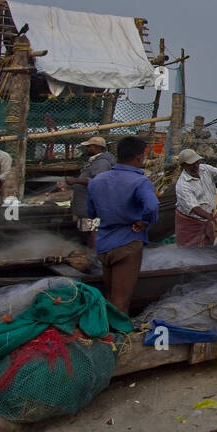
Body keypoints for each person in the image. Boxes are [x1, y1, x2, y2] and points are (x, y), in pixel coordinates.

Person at [86, 135, 159, 315]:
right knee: (121, 301)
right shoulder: (140, 181)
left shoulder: (98, 180)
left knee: (110, 297)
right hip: (127, 243)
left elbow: (91, 212)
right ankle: (118, 339)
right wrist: (144, 222)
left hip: (103, 243)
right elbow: (152, 207)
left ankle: (106, 333)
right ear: (139, 157)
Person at [57, 136, 115, 249]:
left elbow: (99, 182)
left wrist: (75, 180)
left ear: (98, 147)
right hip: (87, 205)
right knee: (90, 231)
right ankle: (93, 254)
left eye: (89, 146)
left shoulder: (101, 163)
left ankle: (94, 256)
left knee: (93, 232)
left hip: (93, 206)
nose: (87, 148)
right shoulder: (95, 161)